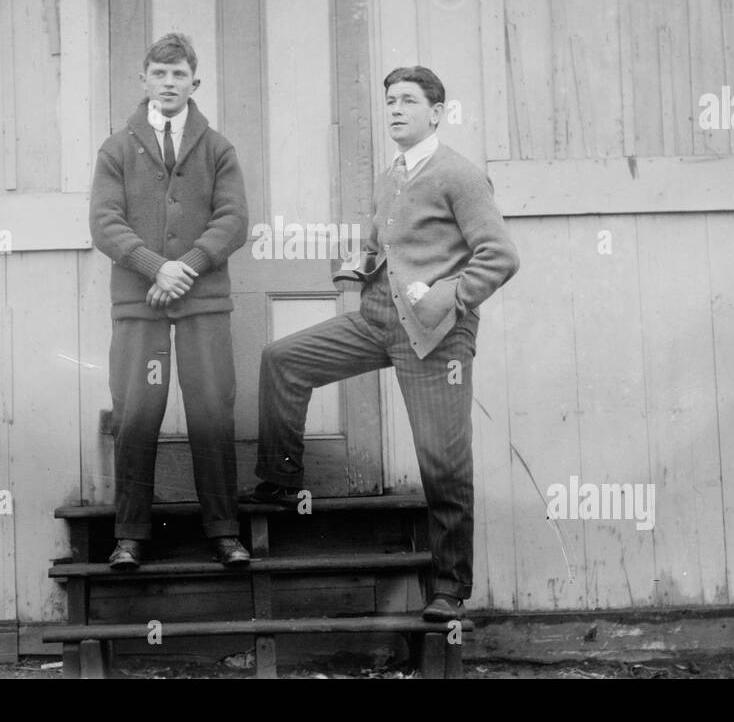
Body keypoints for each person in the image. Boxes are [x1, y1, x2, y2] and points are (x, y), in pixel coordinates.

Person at [245, 65, 520, 620]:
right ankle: (280, 480)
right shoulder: (391, 174)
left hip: (436, 337)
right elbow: (382, 246)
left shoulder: (459, 176)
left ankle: (449, 590)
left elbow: (500, 256)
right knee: (283, 360)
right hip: (378, 319)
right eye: (390, 101)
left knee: (442, 464)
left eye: (409, 101)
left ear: (436, 113)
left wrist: (445, 296)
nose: (395, 110)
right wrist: (360, 263)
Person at [90, 33, 251, 568]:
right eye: (159, 74)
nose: (168, 84)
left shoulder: (217, 147)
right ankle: (131, 535)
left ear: (194, 83)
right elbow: (104, 223)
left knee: (211, 410)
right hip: (140, 305)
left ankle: (225, 532)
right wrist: (157, 267)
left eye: (179, 74)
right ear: (144, 79)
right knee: (138, 411)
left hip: (203, 303)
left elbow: (234, 220)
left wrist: (189, 267)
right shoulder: (117, 148)